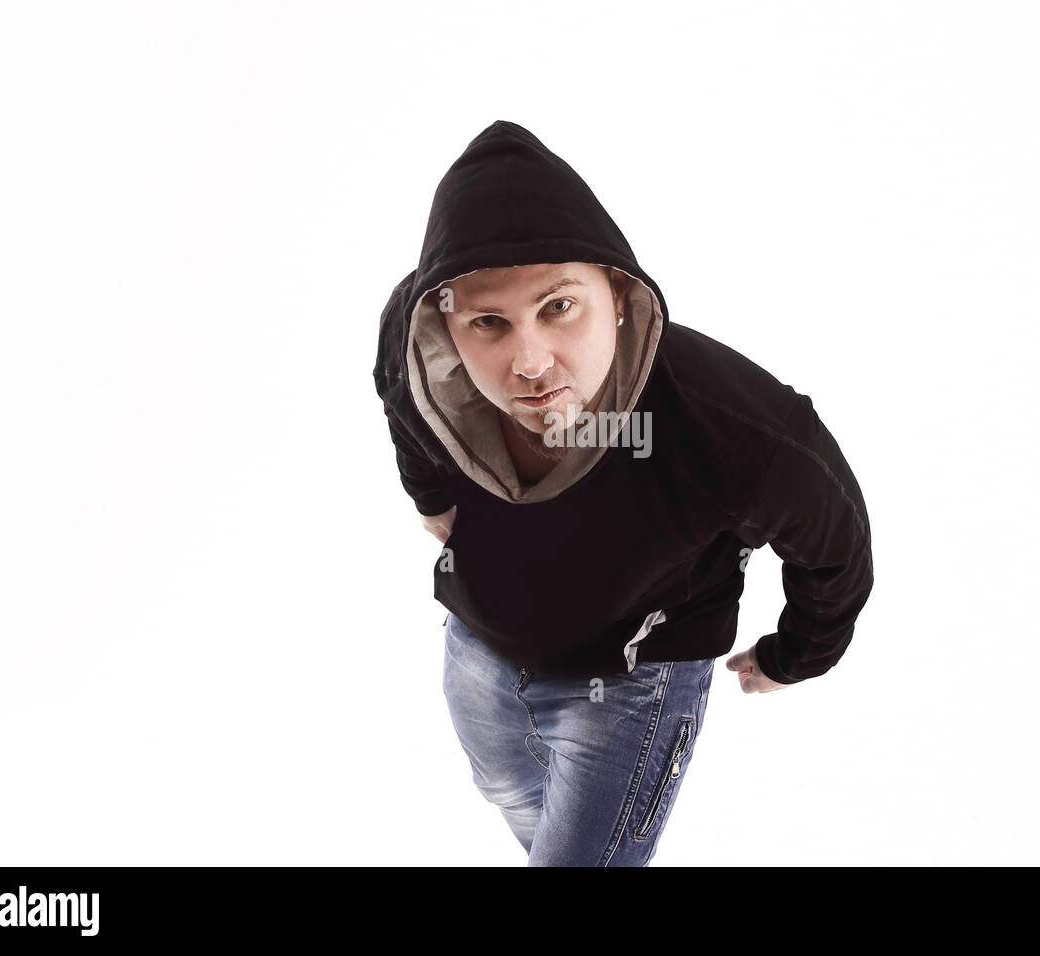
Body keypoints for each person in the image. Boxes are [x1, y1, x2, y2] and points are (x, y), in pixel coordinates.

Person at [373, 120, 874, 865]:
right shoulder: (418, 354)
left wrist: (796, 653)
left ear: (615, 292)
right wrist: (430, 500)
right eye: (489, 323)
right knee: (513, 798)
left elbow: (836, 540)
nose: (531, 362)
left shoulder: (727, 421)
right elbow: (400, 399)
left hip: (631, 684)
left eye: (558, 307)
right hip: (480, 652)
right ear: (446, 325)